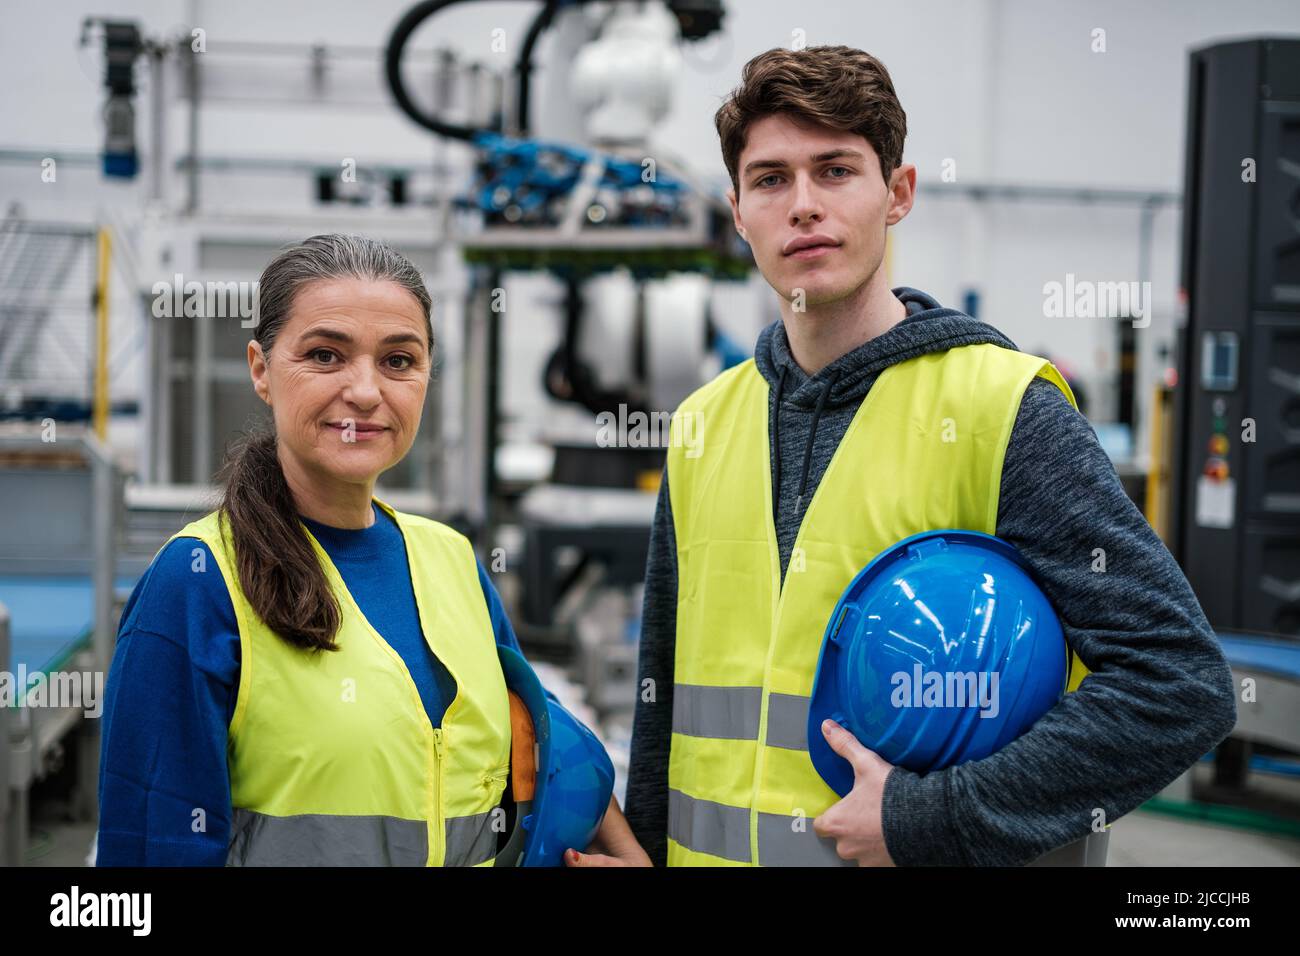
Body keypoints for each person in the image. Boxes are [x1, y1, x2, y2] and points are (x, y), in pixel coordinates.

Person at [620, 46, 1238, 867]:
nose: (803, 206)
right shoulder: (703, 423)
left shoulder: (1002, 409)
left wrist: (934, 816)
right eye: (771, 179)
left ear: (898, 194)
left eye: (835, 170)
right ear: (738, 211)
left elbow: (1179, 685)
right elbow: (663, 696)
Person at [97, 233, 649, 867]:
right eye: (326, 355)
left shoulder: (449, 560)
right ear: (261, 369)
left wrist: (627, 856)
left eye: (398, 361)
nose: (365, 391)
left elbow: (549, 748)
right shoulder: (198, 584)